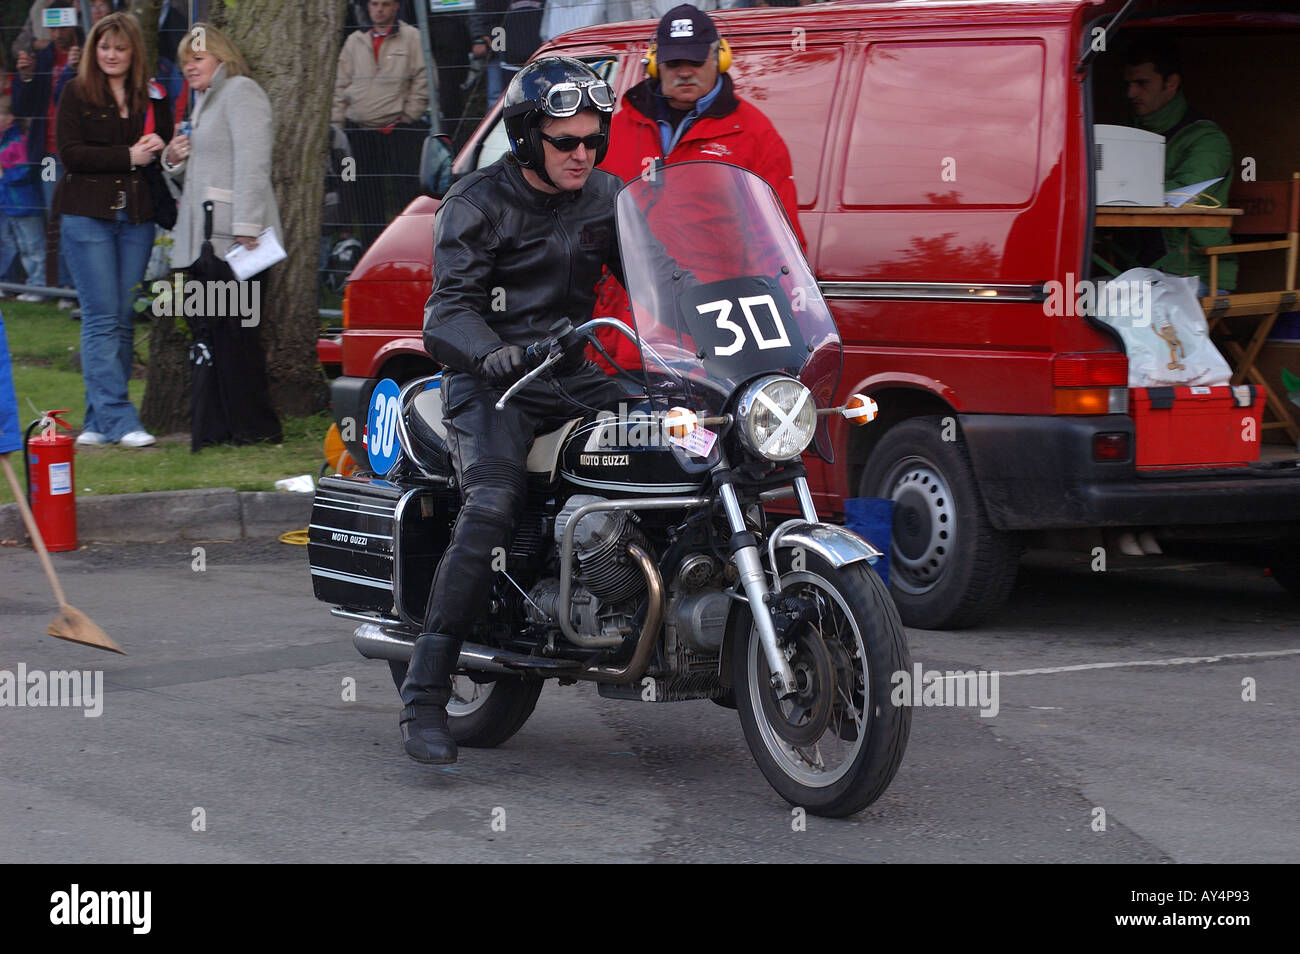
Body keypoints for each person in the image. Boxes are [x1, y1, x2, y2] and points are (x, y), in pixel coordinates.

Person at [400, 56, 624, 765]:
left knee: (694, 443)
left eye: (594, 139)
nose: (583, 153)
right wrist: (488, 350)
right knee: (493, 502)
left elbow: (667, 275)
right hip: (490, 380)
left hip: (573, 372)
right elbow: (446, 314)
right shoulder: (476, 201)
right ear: (527, 137)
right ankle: (425, 694)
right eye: (567, 141)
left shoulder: (608, 198)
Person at [594, 3, 804, 369]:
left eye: (695, 61)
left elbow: (781, 247)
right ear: (656, 64)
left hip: (718, 336)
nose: (685, 72)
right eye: (674, 63)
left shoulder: (754, 135)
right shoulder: (617, 130)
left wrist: (784, 335)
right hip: (625, 339)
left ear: (719, 58)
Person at [161, 22, 283, 448]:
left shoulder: (241, 91)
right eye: (184, 63)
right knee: (213, 335)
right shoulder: (203, 103)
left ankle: (255, 428)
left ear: (221, 57)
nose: (189, 68)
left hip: (235, 242)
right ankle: (225, 428)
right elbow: (196, 178)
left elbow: (254, 162)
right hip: (205, 240)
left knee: (236, 336)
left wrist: (247, 227)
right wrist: (172, 160)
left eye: (197, 58)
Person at [55, 10, 169, 448]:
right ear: (93, 50)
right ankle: (121, 420)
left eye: (120, 48)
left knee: (120, 319)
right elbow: (70, 153)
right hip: (87, 216)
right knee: (102, 317)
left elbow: (159, 146)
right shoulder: (75, 92)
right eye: (104, 47)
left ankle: (98, 421)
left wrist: (164, 146)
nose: (112, 55)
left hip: (137, 218)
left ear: (133, 51)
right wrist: (127, 157)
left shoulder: (151, 94)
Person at [1122, 37, 1235, 293]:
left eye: (1142, 83)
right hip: (1138, 273)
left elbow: (1182, 194)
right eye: (1128, 84)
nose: (1131, 93)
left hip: (1196, 274)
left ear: (1171, 83)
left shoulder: (1208, 140)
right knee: (1075, 301)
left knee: (1120, 307)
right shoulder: (1125, 134)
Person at [331, 0, 429, 246]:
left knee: (406, 193)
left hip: (398, 130)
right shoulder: (355, 41)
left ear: (396, 6)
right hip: (360, 131)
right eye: (374, 3)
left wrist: (408, 115)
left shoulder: (411, 37)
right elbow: (339, 85)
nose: (379, 9)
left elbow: (424, 77)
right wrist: (337, 125)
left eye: (385, 4)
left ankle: (411, 245)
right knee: (366, 195)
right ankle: (371, 250)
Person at [0, 96, 47, 298]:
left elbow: (27, 169)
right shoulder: (4, 140)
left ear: (10, 117)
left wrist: (4, 174)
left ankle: (39, 286)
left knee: (33, 245)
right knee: (20, 245)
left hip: (25, 203)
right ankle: (29, 285)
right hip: (9, 204)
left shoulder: (19, 140)